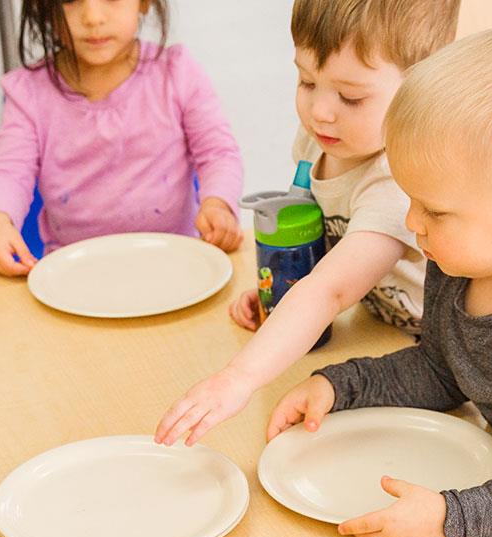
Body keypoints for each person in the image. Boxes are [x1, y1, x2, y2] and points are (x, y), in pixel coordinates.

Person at [268, 28, 492, 537]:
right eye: (411, 201)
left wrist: (451, 519)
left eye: (434, 210)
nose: (411, 223)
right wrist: (340, 386)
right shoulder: (459, 257)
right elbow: (441, 369)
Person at [156, 0, 458, 447]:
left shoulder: (398, 177)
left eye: (351, 97)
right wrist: (282, 293)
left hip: (441, 364)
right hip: (376, 334)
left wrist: (240, 376)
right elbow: (320, 244)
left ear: (423, 88)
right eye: (307, 80)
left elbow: (332, 289)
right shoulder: (324, 142)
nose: (320, 111)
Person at [0, 0, 244, 275]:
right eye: (70, 0)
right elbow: (9, 171)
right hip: (73, 274)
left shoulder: (177, 73)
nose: (93, 17)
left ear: (144, 3)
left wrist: (218, 204)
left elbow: (219, 154)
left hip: (178, 264)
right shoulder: (28, 94)